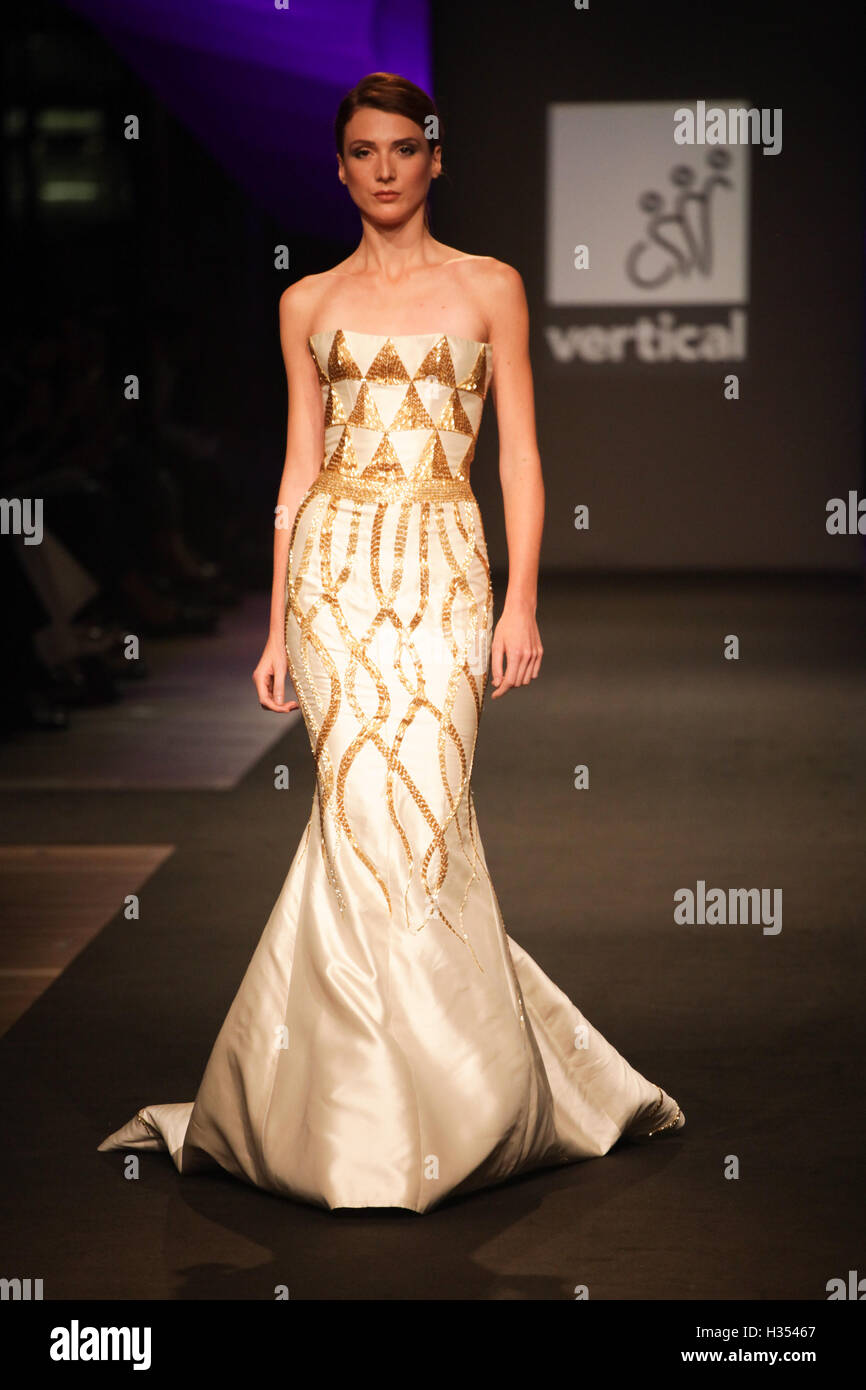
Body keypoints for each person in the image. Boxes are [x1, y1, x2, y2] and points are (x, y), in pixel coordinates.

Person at [99, 72, 684, 1213]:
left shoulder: (491, 287)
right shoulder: (305, 303)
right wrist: (273, 624)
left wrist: (520, 601)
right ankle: (365, 1115)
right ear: (338, 167)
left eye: (401, 149)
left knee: (424, 823)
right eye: (360, 151)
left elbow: (516, 454)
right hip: (330, 582)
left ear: (432, 158)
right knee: (354, 819)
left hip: (446, 571)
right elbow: (296, 471)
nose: (381, 169)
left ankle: (449, 1098)